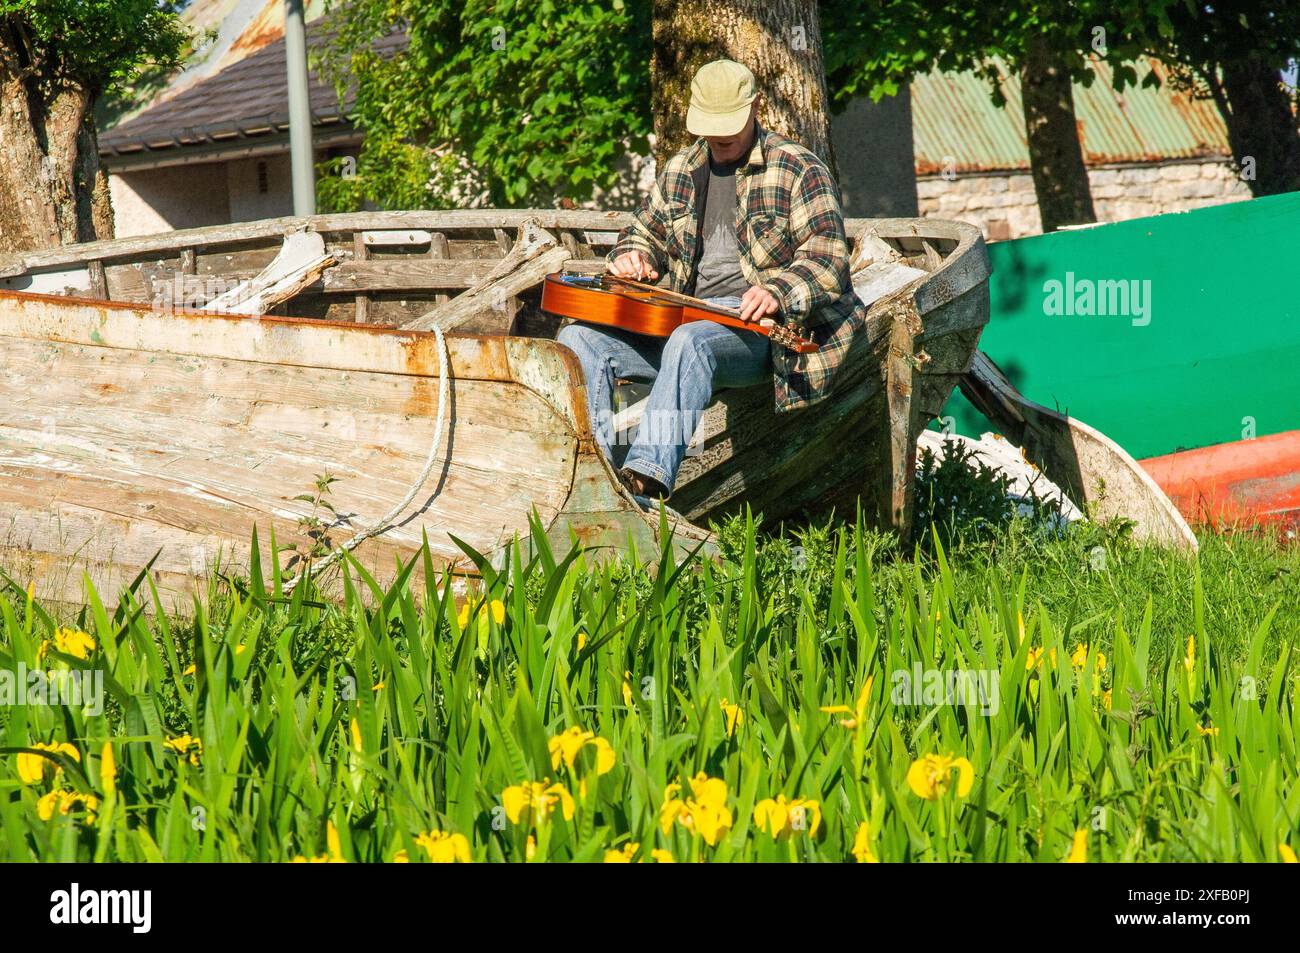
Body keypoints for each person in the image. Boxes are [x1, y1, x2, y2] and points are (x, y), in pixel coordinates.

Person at [556, 58, 864, 502]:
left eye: (730, 128)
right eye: (710, 127)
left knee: (691, 341)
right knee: (581, 338)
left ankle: (643, 481)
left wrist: (776, 291)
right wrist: (632, 256)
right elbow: (642, 232)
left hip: (765, 337)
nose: (719, 138)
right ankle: (594, 479)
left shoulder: (799, 168)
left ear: (757, 107)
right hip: (685, 323)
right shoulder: (681, 169)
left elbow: (828, 259)